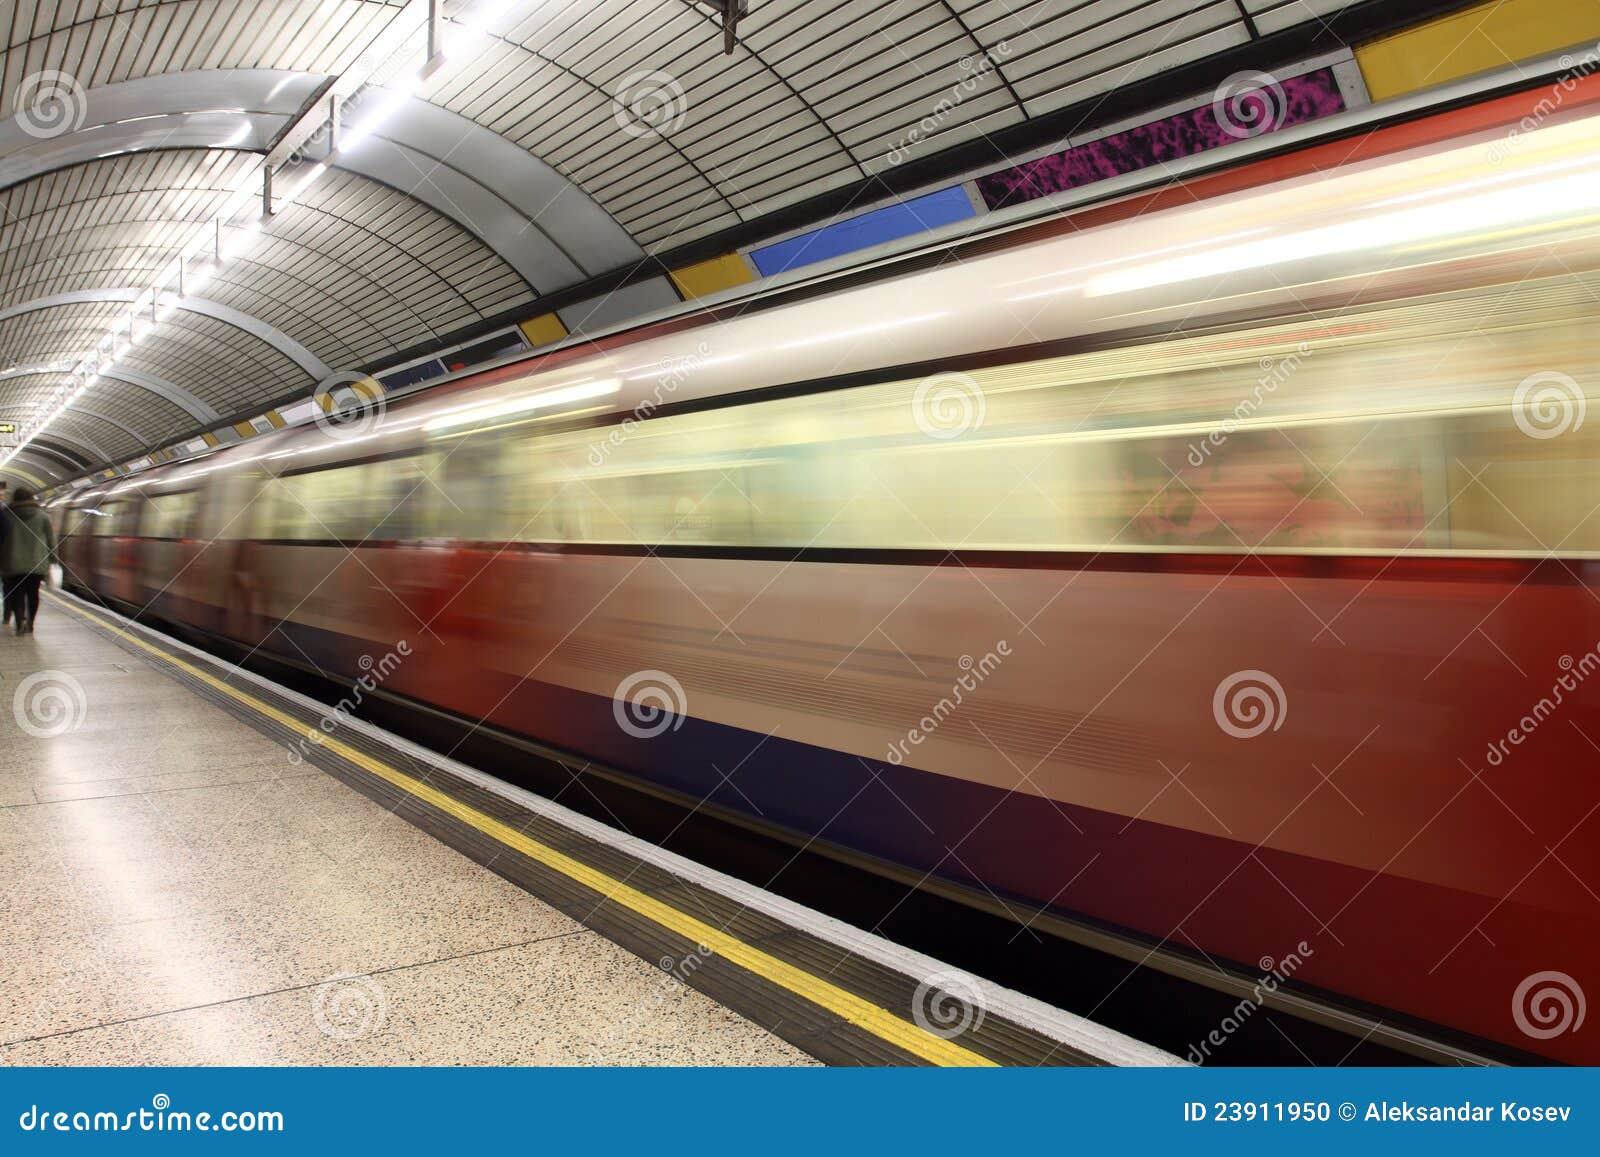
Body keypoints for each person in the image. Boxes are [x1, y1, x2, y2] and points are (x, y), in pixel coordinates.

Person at [0, 487, 55, 636]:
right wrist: (53, 559)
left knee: (16, 594)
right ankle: (31, 623)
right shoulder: (43, 516)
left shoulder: (5, 515)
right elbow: (51, 540)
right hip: (36, 563)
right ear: (32, 498)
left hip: (11, 563)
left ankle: (20, 622)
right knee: (33, 594)